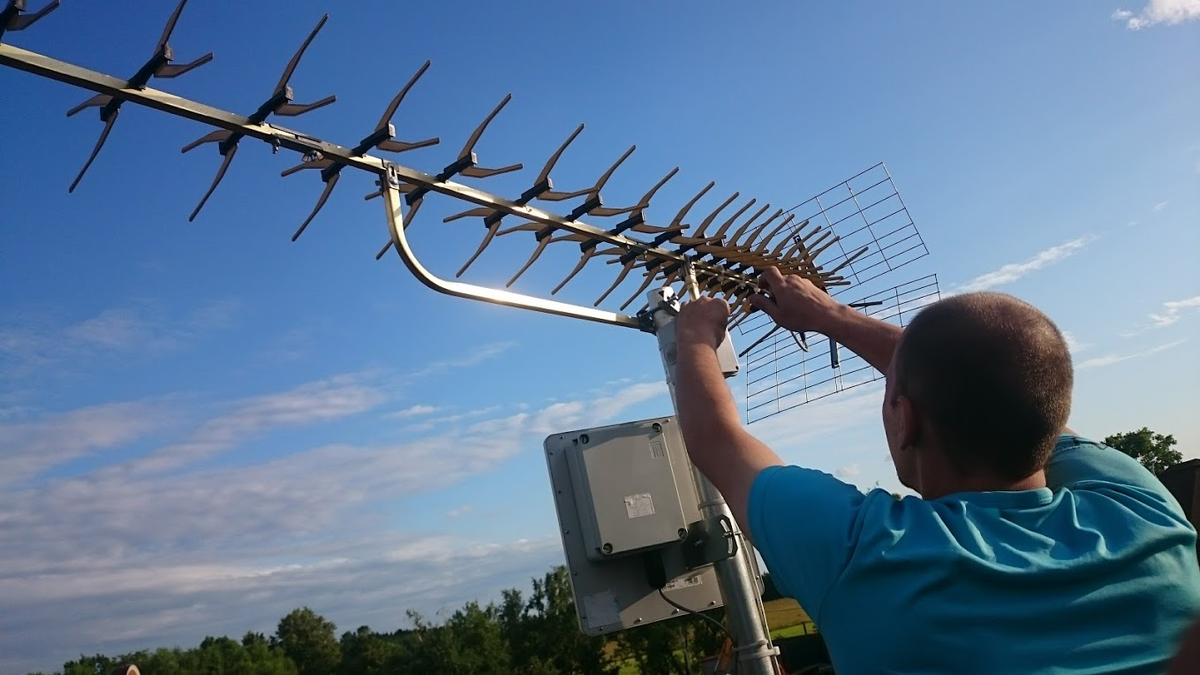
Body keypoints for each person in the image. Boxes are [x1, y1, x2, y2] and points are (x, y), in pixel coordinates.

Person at [673, 266, 1200, 674]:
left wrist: (693, 336)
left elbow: (716, 440)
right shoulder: (1144, 509)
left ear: (907, 420)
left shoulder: (865, 552)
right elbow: (994, 381)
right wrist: (831, 315)